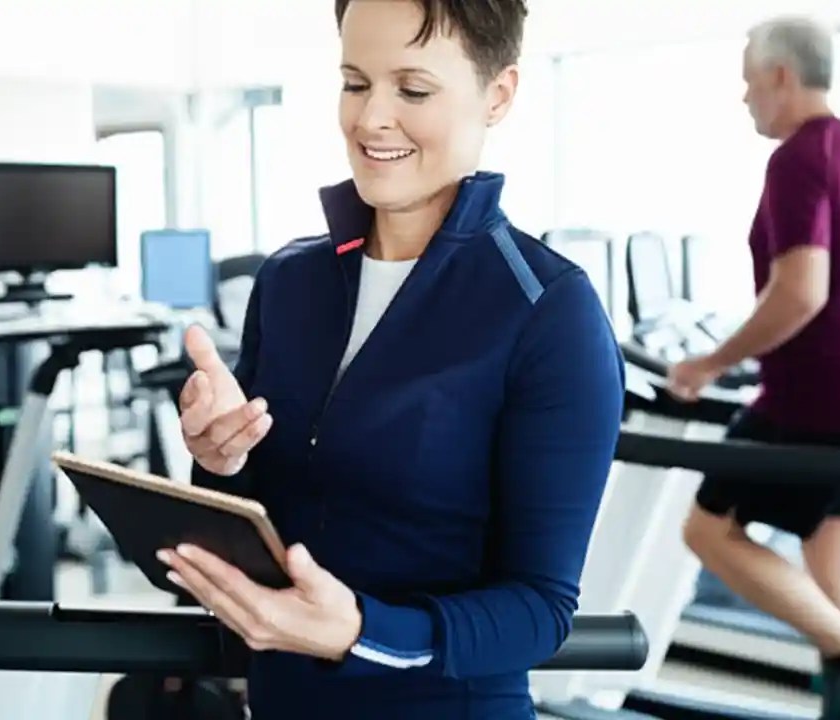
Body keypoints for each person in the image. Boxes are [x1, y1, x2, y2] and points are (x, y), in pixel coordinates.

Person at [154, 1, 625, 717]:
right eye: (354, 82)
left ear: (497, 94)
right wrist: (218, 461)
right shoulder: (288, 282)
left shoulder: (548, 312)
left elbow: (539, 608)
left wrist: (363, 633)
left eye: (412, 89)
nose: (371, 118)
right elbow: (262, 518)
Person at [667, 15, 840, 720]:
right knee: (831, 561)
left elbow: (801, 290)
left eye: (748, 78)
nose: (743, 95)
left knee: (707, 529)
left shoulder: (799, 158)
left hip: (816, 401)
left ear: (781, 75)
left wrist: (712, 364)